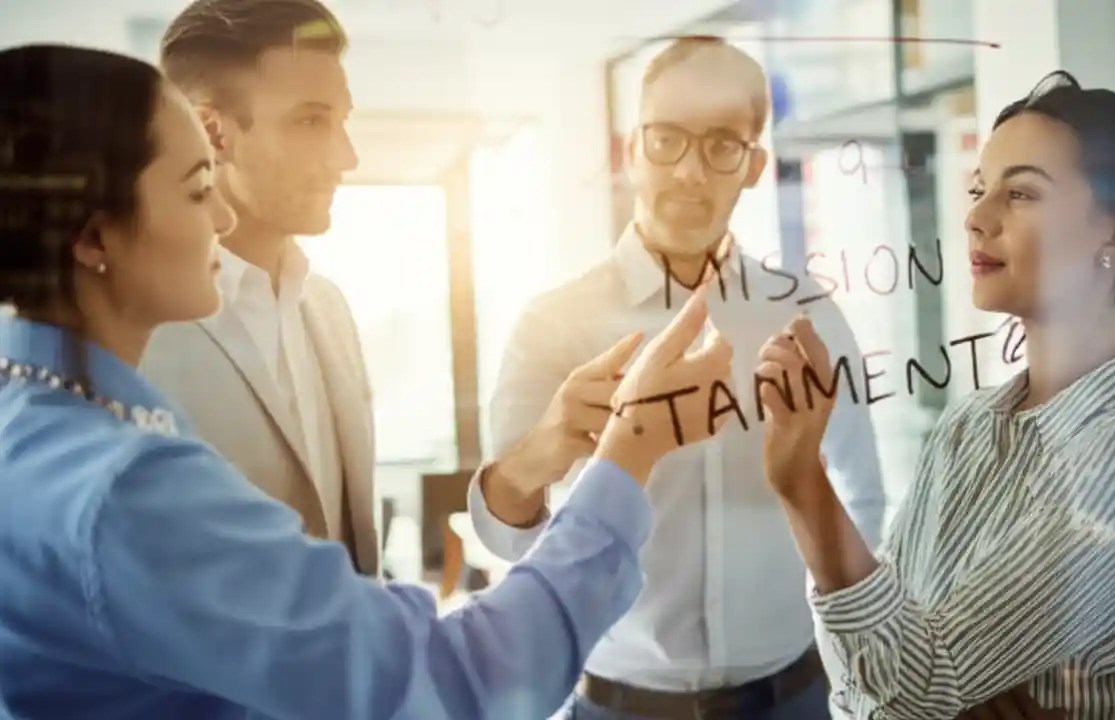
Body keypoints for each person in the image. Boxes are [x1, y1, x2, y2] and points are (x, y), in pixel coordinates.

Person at [0, 43, 736, 720]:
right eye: (196, 190)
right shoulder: (127, 489)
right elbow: (462, 680)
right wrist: (630, 452)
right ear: (95, 237)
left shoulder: (35, 419)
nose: (222, 216)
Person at [755, 71, 1115, 719]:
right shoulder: (968, 424)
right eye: (978, 189)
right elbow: (864, 680)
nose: (974, 217)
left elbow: (915, 681)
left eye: (1021, 192)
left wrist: (804, 484)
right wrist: (921, 686)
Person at [470, 36, 886, 719]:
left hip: (796, 697)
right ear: (630, 149)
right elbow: (505, 540)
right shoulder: (554, 323)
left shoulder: (806, 314)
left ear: (753, 166)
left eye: (722, 144)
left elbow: (863, 494)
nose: (691, 171)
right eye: (667, 139)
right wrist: (544, 449)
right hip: (617, 705)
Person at [137, 0, 379, 575]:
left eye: (342, 121)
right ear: (211, 132)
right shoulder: (131, 329)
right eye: (310, 121)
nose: (347, 156)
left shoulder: (330, 310)